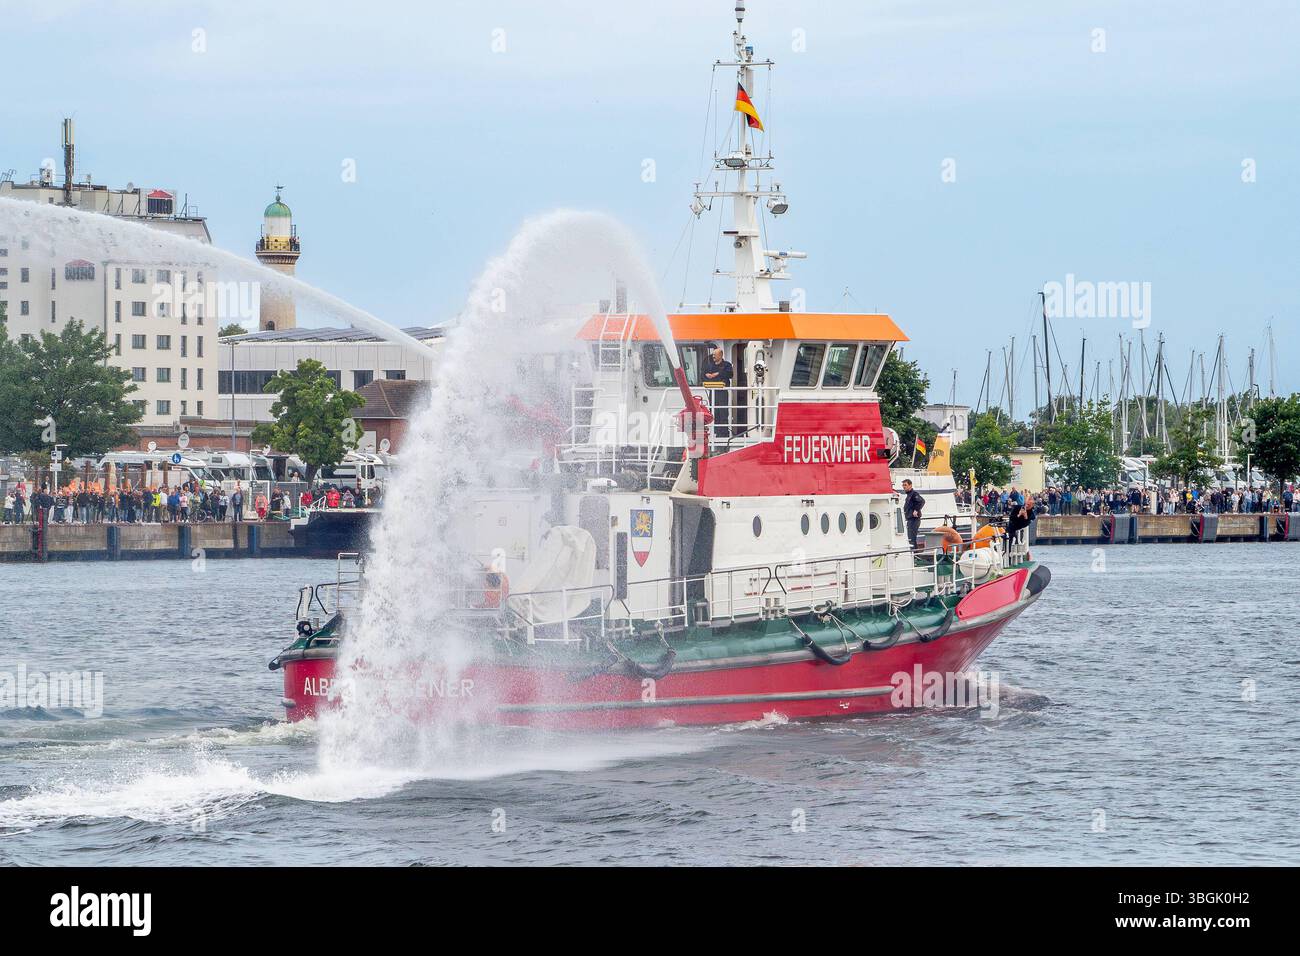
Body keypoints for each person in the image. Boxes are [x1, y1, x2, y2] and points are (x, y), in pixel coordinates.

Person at [701, 344, 734, 438]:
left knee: (723, 412)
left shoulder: (727, 365)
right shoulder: (710, 366)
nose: (713, 356)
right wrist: (707, 375)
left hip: (722, 391)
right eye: (713, 355)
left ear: (721, 355)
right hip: (713, 391)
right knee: (714, 411)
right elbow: (703, 375)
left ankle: (724, 433)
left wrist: (718, 373)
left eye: (715, 355)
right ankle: (716, 432)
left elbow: (730, 374)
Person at [902, 478, 925, 548]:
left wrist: (916, 510)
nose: (904, 486)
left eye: (905, 485)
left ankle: (914, 554)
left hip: (914, 520)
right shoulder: (909, 495)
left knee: (911, 538)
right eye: (903, 485)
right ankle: (914, 553)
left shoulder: (914, 494)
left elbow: (921, 501)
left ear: (910, 485)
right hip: (910, 519)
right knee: (911, 538)